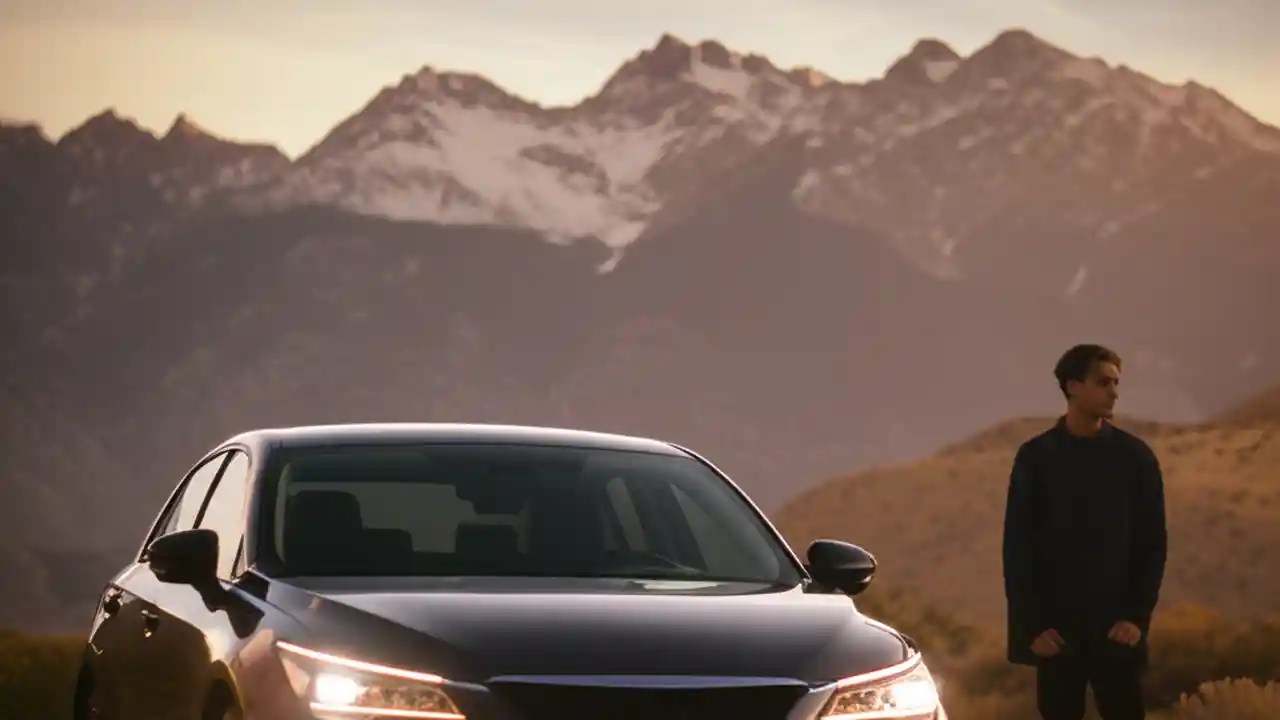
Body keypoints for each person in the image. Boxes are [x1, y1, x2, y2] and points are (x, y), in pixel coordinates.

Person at [1002, 344, 1168, 720]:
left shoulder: (1135, 458)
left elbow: (1152, 546)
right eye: (1103, 382)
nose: (1114, 392)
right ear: (1073, 386)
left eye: (1116, 382)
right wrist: (1032, 628)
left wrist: (1136, 619)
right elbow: (1018, 549)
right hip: (1057, 636)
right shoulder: (1036, 457)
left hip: (1117, 633)